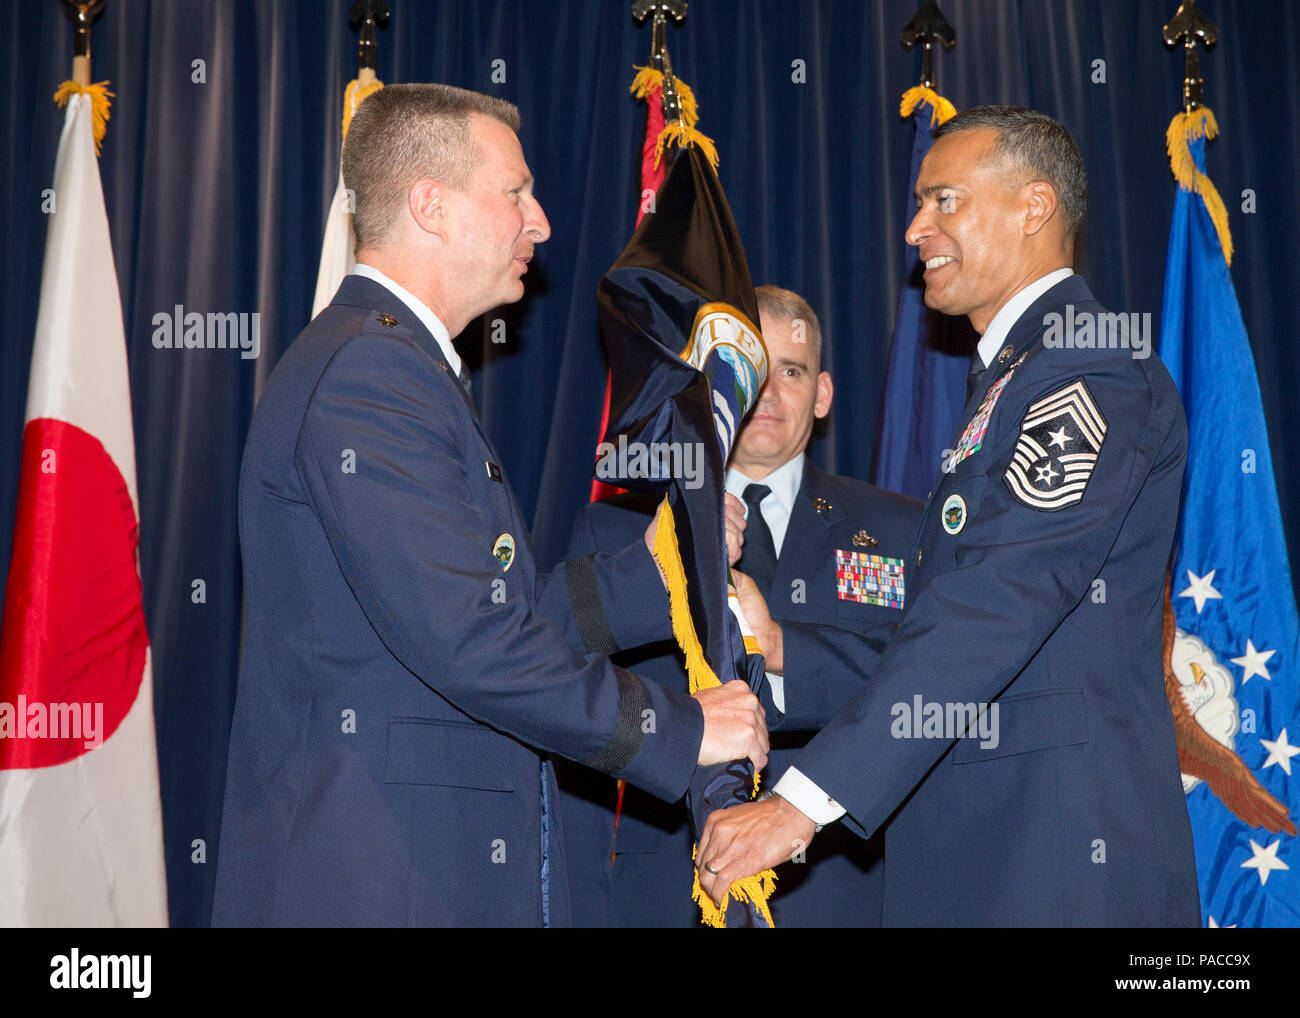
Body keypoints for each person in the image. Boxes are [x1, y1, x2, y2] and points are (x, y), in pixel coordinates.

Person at [210, 83, 767, 928]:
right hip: (378, 883)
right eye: (515, 193)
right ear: (429, 205)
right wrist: (682, 730)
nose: (539, 221)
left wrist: (659, 568)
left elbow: (488, 613)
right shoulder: (371, 376)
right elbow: (472, 642)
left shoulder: (399, 367)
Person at [698, 106, 1202, 926]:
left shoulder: (1091, 361)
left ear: (1032, 209)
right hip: (987, 861)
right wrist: (789, 653)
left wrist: (803, 802)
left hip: (1054, 869)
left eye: (944, 202)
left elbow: (1000, 601)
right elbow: (949, 645)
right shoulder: (1019, 373)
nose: (913, 227)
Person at [557, 286, 921, 926]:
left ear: (824, 392)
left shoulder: (900, 530)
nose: (769, 394)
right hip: (663, 895)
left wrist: (782, 646)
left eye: (791, 370)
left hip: (848, 896)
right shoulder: (617, 534)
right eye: (749, 370)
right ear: (707, 387)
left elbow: (925, 689)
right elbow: (566, 717)